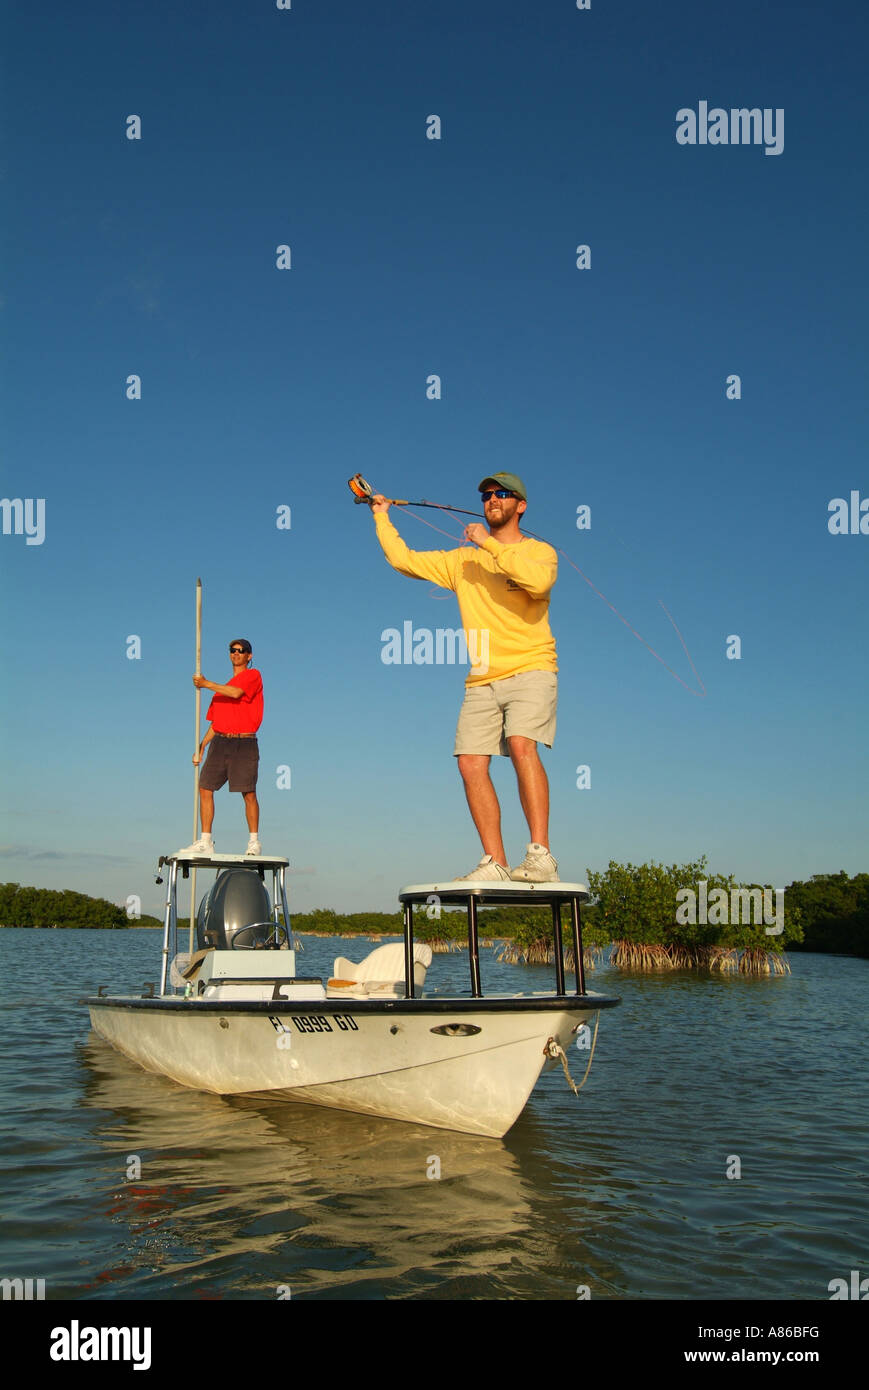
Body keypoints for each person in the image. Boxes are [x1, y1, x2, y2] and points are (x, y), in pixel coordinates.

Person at [371, 472, 559, 881]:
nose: (492, 499)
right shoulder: (463, 560)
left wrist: (488, 543)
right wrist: (382, 516)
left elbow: (539, 582)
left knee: (521, 744)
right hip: (481, 679)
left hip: (531, 667)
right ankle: (495, 863)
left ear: (520, 505)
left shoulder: (539, 552)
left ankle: (541, 855)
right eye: (487, 495)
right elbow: (406, 561)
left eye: (502, 494)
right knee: (470, 762)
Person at [176, 639, 264, 856]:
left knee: (248, 792)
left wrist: (206, 684)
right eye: (232, 651)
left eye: (241, 651)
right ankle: (206, 840)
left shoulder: (253, 676)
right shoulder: (219, 692)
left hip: (244, 742)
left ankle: (254, 842)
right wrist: (202, 746)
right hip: (220, 742)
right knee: (205, 787)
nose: (236, 654)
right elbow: (216, 724)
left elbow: (235, 693)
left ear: (249, 655)